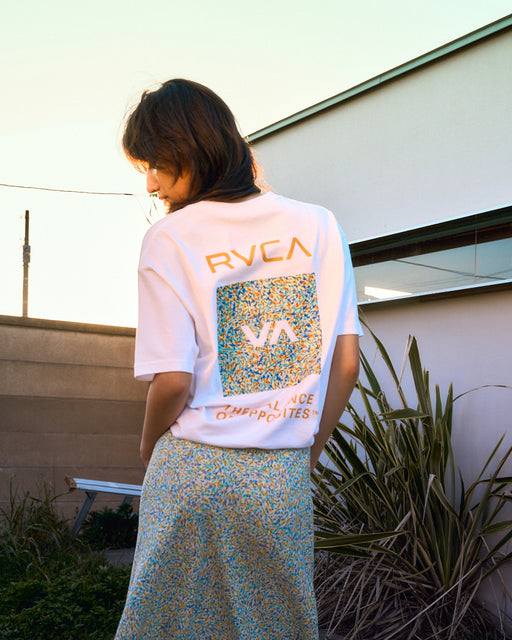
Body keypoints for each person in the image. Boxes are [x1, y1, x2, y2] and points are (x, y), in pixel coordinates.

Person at [115, 78, 361, 640]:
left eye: (155, 164)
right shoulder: (319, 224)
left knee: (167, 626)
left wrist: (150, 448)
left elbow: (173, 380)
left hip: (190, 468)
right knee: (276, 625)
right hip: (279, 478)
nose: (150, 183)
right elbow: (346, 365)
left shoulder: (169, 238)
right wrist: (302, 453)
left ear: (192, 149)